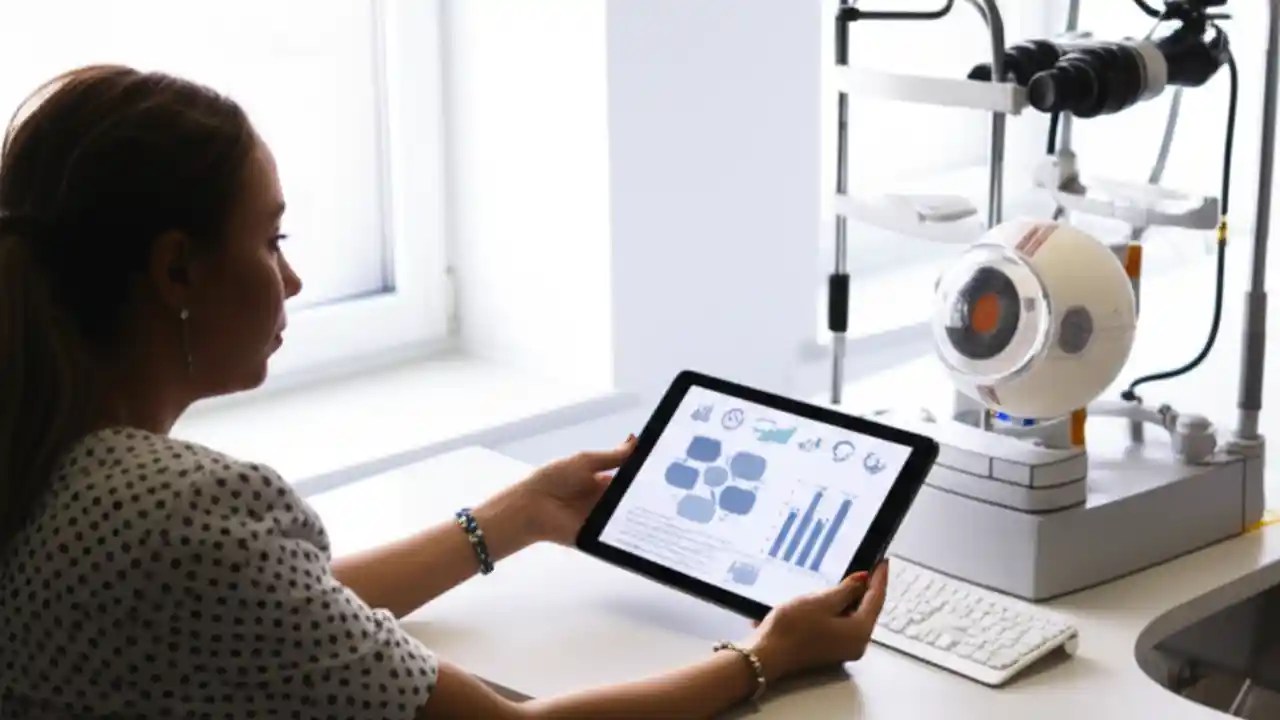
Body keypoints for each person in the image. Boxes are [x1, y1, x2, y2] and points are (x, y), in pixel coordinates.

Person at [0, 65, 888, 719]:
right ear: (176, 267)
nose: (295, 279)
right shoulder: (185, 511)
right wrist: (766, 657)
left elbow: (276, 606)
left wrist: (515, 516)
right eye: (272, 240)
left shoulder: (52, 459)